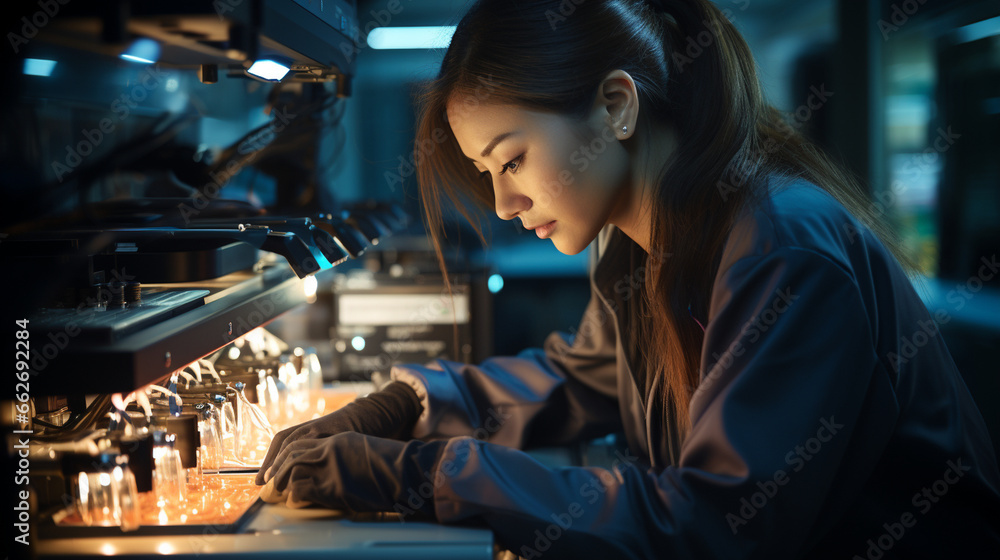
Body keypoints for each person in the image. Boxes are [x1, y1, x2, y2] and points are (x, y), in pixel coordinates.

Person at [257, 0, 1000, 557]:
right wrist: (406, 403)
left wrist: (418, 474)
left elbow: (711, 526)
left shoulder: (781, 249)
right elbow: (584, 380)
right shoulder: (641, 242)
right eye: (487, 175)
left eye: (511, 160)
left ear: (616, 106)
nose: (504, 204)